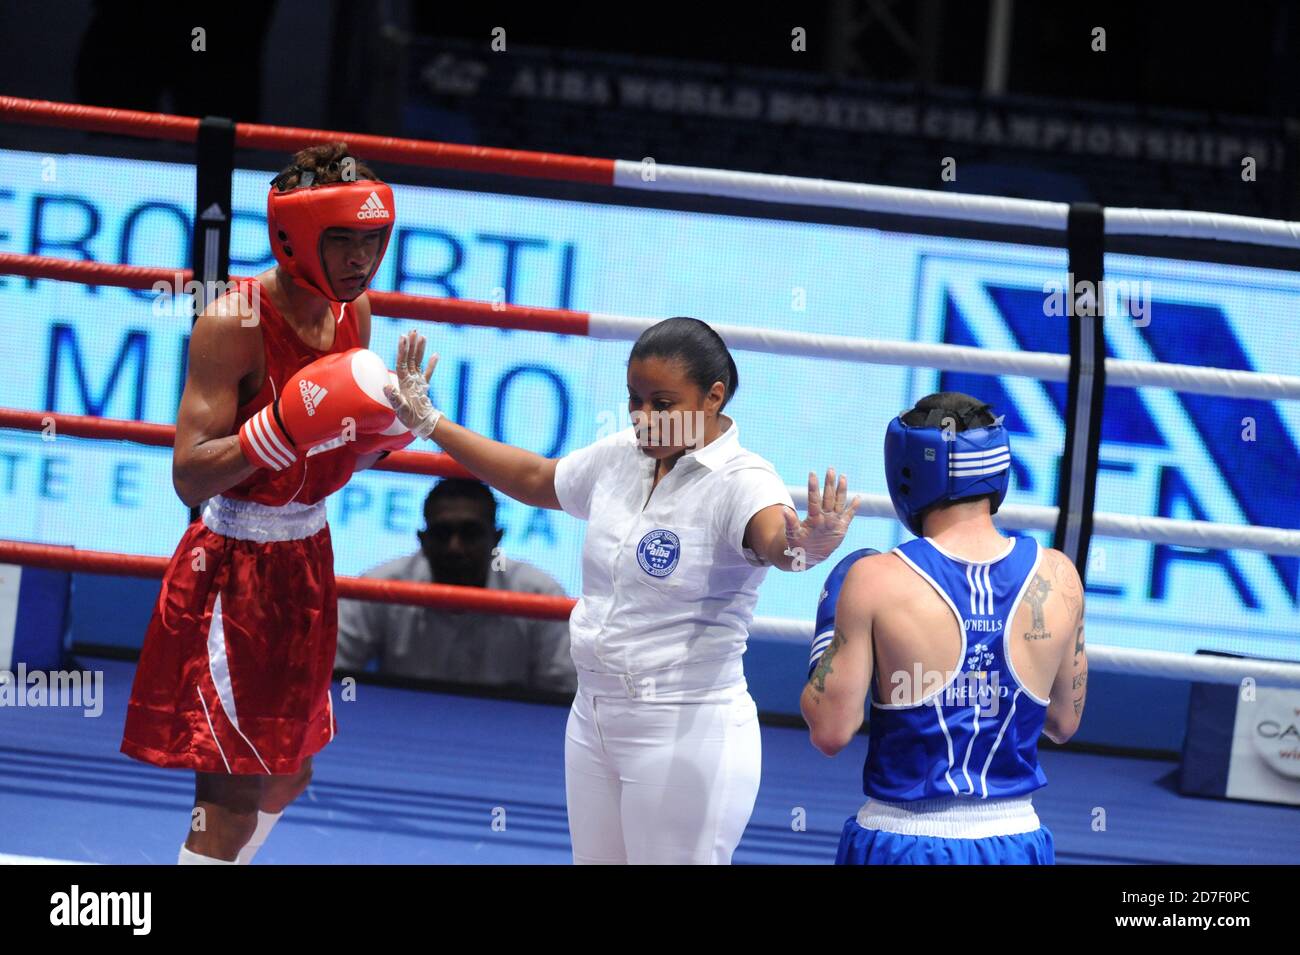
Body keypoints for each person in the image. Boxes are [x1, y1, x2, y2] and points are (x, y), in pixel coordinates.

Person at [383, 317, 861, 863]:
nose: (644, 418)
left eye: (662, 403)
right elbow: (537, 479)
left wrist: (807, 546)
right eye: (634, 400)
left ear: (713, 397)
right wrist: (431, 423)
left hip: (685, 732)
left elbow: (778, 541)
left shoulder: (744, 481)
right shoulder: (623, 454)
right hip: (591, 719)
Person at [120, 143, 421, 864]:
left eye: (372, 238)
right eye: (342, 238)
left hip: (308, 560)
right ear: (293, 238)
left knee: (288, 771)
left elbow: (329, 458)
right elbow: (190, 477)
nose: (360, 257)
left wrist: (391, 432)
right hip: (234, 569)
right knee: (227, 794)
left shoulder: (357, 313)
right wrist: (278, 426)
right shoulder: (237, 322)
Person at [802, 392, 1088, 865]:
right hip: (1017, 839)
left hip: (904, 839)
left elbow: (830, 731)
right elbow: (1064, 722)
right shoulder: (1058, 577)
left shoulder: (876, 580)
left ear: (908, 467)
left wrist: (826, 643)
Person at [335, 479, 576, 693]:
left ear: (496, 538)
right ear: (423, 540)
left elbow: (562, 694)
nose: (455, 547)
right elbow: (334, 672)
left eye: (470, 533)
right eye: (443, 533)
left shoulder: (539, 596)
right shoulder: (381, 588)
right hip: (402, 725)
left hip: (504, 733)